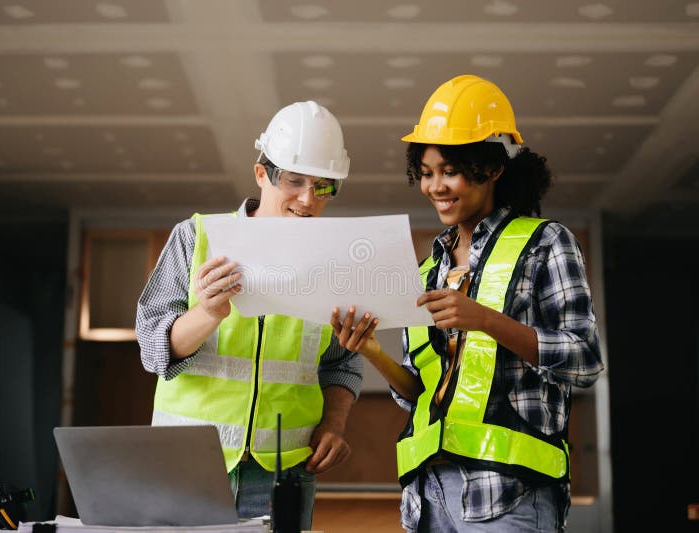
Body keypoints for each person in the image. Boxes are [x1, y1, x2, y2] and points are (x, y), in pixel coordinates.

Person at [331, 74, 604, 532]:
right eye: (426, 173)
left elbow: (585, 360)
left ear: (492, 167)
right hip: (428, 498)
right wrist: (371, 351)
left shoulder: (544, 243)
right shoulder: (424, 271)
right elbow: (420, 394)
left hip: (509, 494)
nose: (435, 186)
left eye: (450, 171)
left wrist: (486, 321)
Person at [135, 100, 362, 530]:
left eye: (324, 186)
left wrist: (334, 423)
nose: (307, 199)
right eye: (294, 181)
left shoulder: (333, 264)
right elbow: (152, 348)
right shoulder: (196, 237)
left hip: (284, 470)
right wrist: (207, 313)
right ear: (263, 174)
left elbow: (342, 362)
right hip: (187, 464)